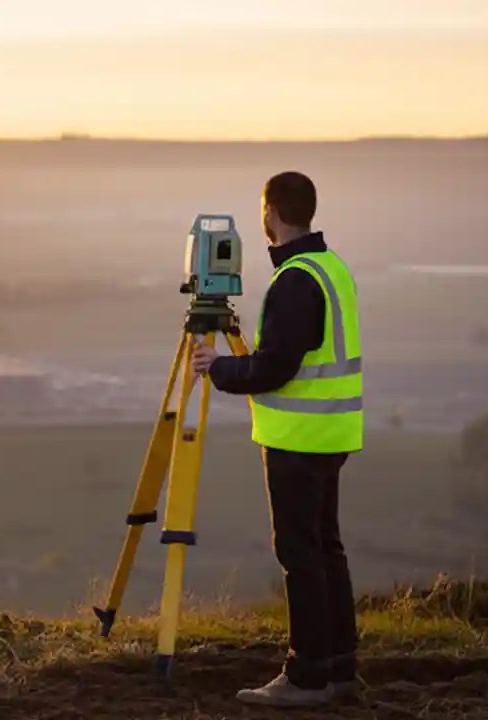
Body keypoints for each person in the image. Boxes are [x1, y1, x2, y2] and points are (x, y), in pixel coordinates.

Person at [192, 171, 364, 708]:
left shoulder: (294, 280)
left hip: (298, 437)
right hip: (331, 432)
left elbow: (275, 369)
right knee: (325, 550)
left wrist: (219, 368)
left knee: (300, 554)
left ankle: (306, 677)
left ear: (271, 213)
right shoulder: (331, 268)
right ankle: (338, 670)